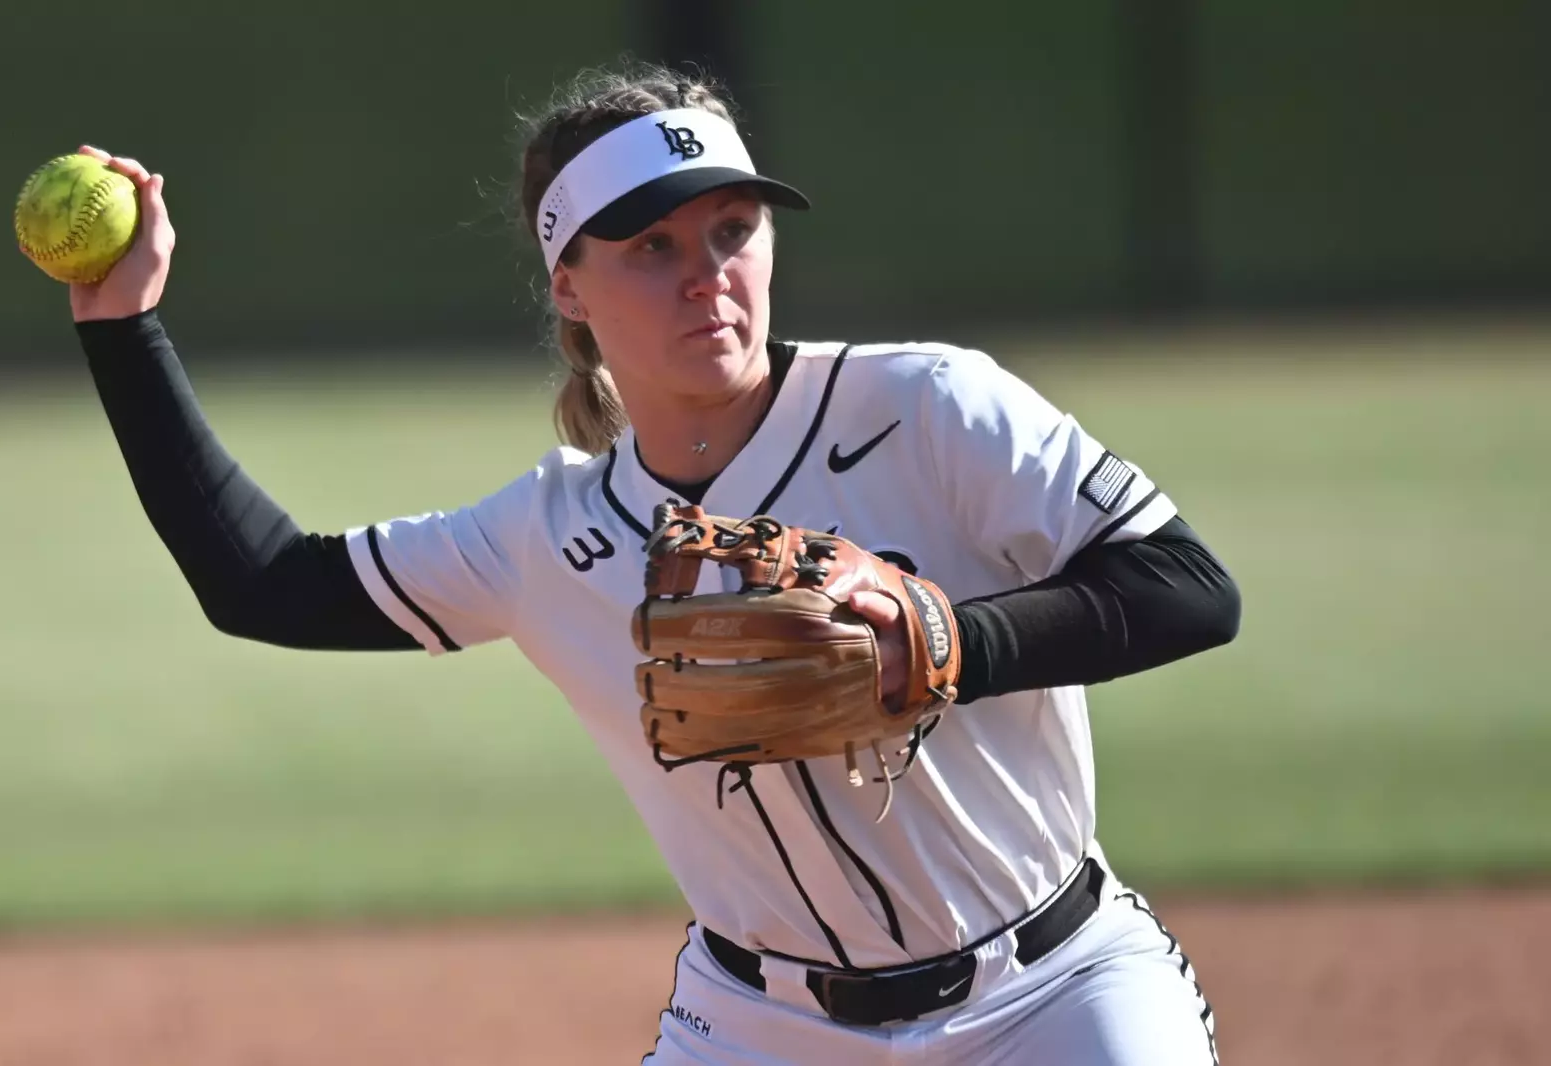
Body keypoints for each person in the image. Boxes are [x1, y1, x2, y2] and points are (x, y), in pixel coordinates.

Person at [69, 62, 1239, 1065]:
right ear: (568, 287)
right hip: (760, 1025)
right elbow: (266, 581)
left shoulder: (925, 407)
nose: (707, 272)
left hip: (1053, 993)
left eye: (735, 229)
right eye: (654, 244)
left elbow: (1188, 587)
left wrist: (946, 640)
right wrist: (122, 329)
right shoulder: (547, 535)